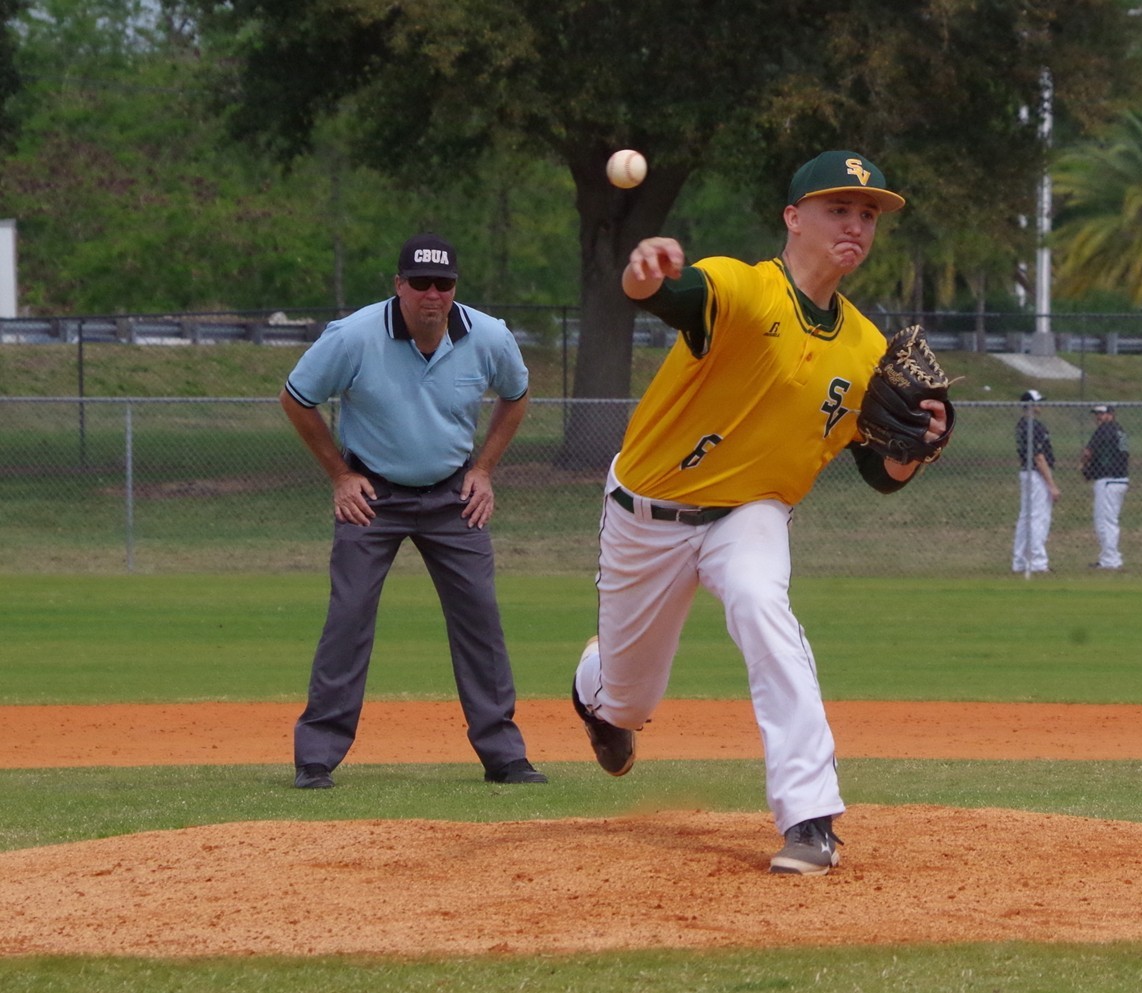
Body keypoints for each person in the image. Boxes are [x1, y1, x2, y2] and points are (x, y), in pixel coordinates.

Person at [570, 150, 950, 875]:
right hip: (645, 516)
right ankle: (599, 694)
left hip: (752, 511)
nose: (857, 224)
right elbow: (664, 294)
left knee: (760, 604)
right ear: (793, 217)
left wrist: (918, 446)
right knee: (628, 698)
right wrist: (643, 269)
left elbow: (881, 472)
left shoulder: (869, 348)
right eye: (839, 208)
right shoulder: (744, 288)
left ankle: (810, 818)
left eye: (868, 214)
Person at [280, 233, 546, 789]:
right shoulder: (353, 337)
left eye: (443, 284)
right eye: (420, 283)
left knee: (480, 617)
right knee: (348, 618)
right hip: (371, 496)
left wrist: (484, 470)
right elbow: (296, 399)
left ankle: (504, 754)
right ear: (398, 285)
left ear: (455, 288)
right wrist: (340, 475)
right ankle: (316, 756)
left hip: (453, 494)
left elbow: (516, 395)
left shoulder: (489, 336)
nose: (432, 294)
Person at [1011, 390, 1058, 574]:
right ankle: (1037, 562)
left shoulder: (1022, 425)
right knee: (1038, 518)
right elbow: (1039, 457)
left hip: (1027, 473)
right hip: (1036, 474)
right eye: (1037, 402)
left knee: (1026, 518)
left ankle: (1020, 561)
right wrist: (1052, 485)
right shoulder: (1033, 426)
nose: (1040, 405)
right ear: (1029, 405)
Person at [1080, 403, 1128, 569]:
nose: (1098, 417)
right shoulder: (1119, 429)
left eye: (1102, 413)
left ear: (1111, 414)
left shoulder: (1104, 429)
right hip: (1120, 479)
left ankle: (1110, 560)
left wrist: (1085, 467)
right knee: (1109, 520)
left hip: (1108, 480)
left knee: (1104, 522)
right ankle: (1110, 558)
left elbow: (1088, 452)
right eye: (1097, 414)